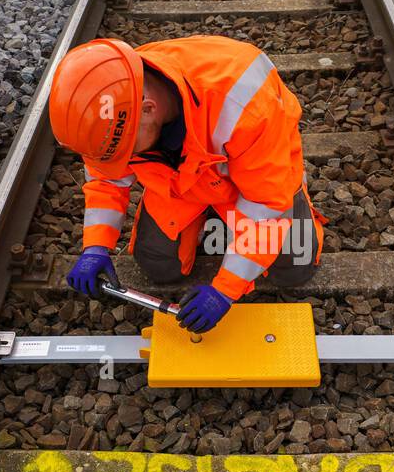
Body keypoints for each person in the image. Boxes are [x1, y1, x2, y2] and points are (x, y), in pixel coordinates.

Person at [49, 36, 324, 334]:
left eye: (128, 154)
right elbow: (105, 179)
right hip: (181, 184)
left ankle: (288, 203)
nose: (126, 162)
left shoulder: (246, 105)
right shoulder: (112, 102)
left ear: (148, 109)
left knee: (294, 269)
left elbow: (266, 206)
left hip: (256, 187)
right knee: (158, 267)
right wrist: (96, 245)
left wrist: (224, 291)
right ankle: (210, 217)